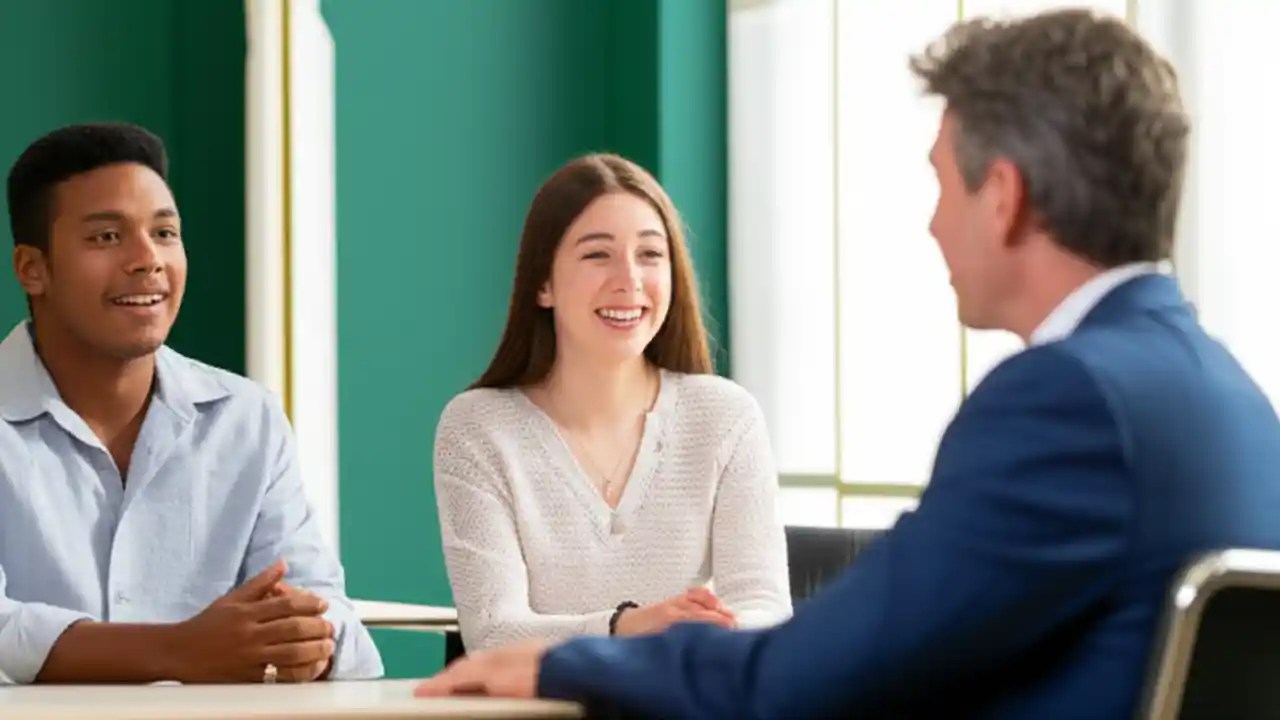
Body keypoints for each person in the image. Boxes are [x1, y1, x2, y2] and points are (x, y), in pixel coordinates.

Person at [414, 10, 1280, 718]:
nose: (934, 224)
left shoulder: (1067, 402)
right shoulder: (1236, 401)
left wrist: (566, 666)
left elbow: (811, 669)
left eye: (944, 185)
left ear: (1005, 196)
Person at [0, 123, 383, 684]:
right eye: (106, 237)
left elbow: (326, 612)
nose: (146, 259)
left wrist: (309, 641)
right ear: (33, 269)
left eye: (164, 232)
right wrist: (177, 650)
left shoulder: (246, 418)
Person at [431, 153, 791, 653]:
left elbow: (764, 606)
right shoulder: (478, 428)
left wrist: (708, 631)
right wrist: (628, 626)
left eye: (650, 254)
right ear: (543, 284)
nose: (629, 281)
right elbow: (492, 633)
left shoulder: (726, 417)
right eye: (597, 255)